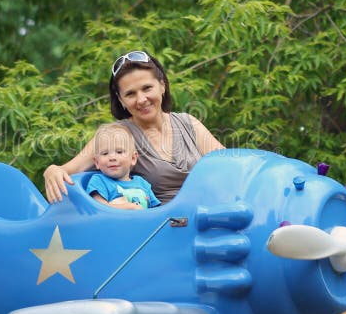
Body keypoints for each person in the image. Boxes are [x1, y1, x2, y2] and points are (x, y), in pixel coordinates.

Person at [44, 50, 225, 204]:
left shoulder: (189, 123)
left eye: (147, 88)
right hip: (163, 225)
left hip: (210, 214)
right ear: (121, 100)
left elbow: (227, 165)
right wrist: (52, 170)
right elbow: (69, 169)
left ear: (162, 86)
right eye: (130, 94)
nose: (141, 99)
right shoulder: (118, 135)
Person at [87, 123, 161, 209]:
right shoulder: (99, 181)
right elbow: (99, 208)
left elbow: (157, 211)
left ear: (133, 158)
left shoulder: (143, 183)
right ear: (97, 162)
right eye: (105, 153)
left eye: (119, 152)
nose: (112, 158)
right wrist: (127, 207)